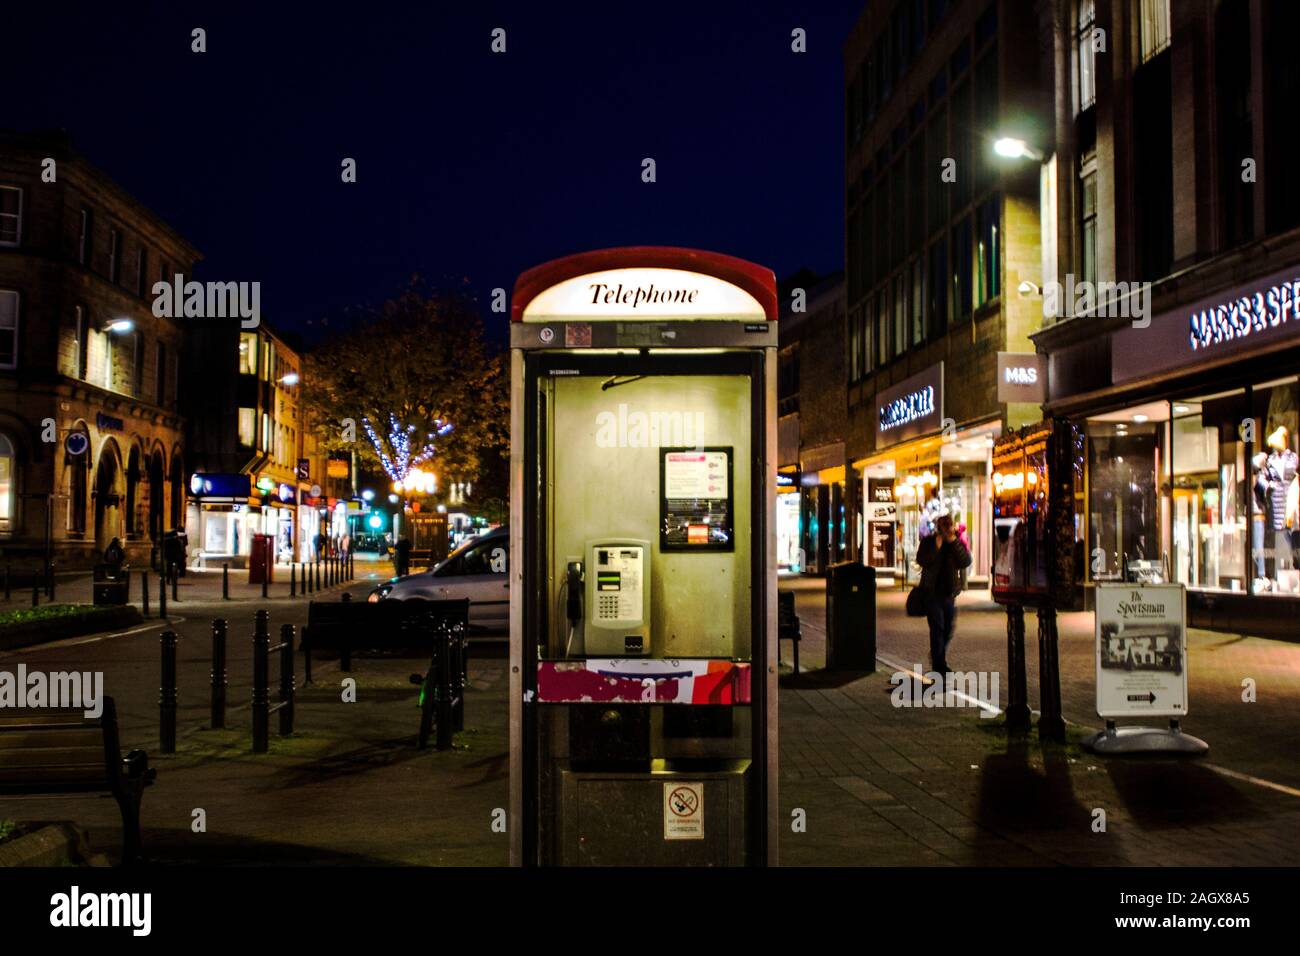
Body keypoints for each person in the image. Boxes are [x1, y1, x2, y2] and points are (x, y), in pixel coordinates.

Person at [915, 513, 971, 676]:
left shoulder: (955, 543)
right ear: (938, 527)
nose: (947, 528)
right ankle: (939, 664)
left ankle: (937, 655)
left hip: (949, 594)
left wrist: (953, 542)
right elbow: (922, 560)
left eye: (949, 524)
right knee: (937, 628)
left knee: (948, 628)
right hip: (931, 593)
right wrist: (936, 546)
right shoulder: (929, 542)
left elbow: (965, 561)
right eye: (944, 525)